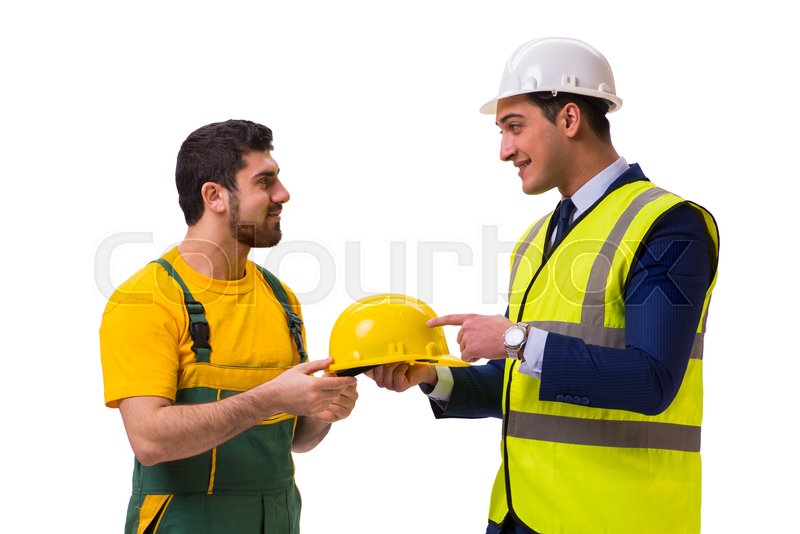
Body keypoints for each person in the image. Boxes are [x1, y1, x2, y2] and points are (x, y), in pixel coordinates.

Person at [366, 37, 719, 533]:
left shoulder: (667, 225)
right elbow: (526, 384)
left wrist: (514, 338)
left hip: (614, 519)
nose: (505, 150)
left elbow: (652, 381)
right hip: (518, 516)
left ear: (569, 119)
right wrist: (431, 376)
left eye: (515, 128)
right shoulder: (538, 238)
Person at [99, 119, 358, 534]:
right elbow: (150, 440)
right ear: (215, 196)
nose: (283, 194)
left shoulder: (281, 299)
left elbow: (298, 440)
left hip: (278, 520)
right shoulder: (147, 299)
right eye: (265, 181)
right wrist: (269, 398)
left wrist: (325, 409)